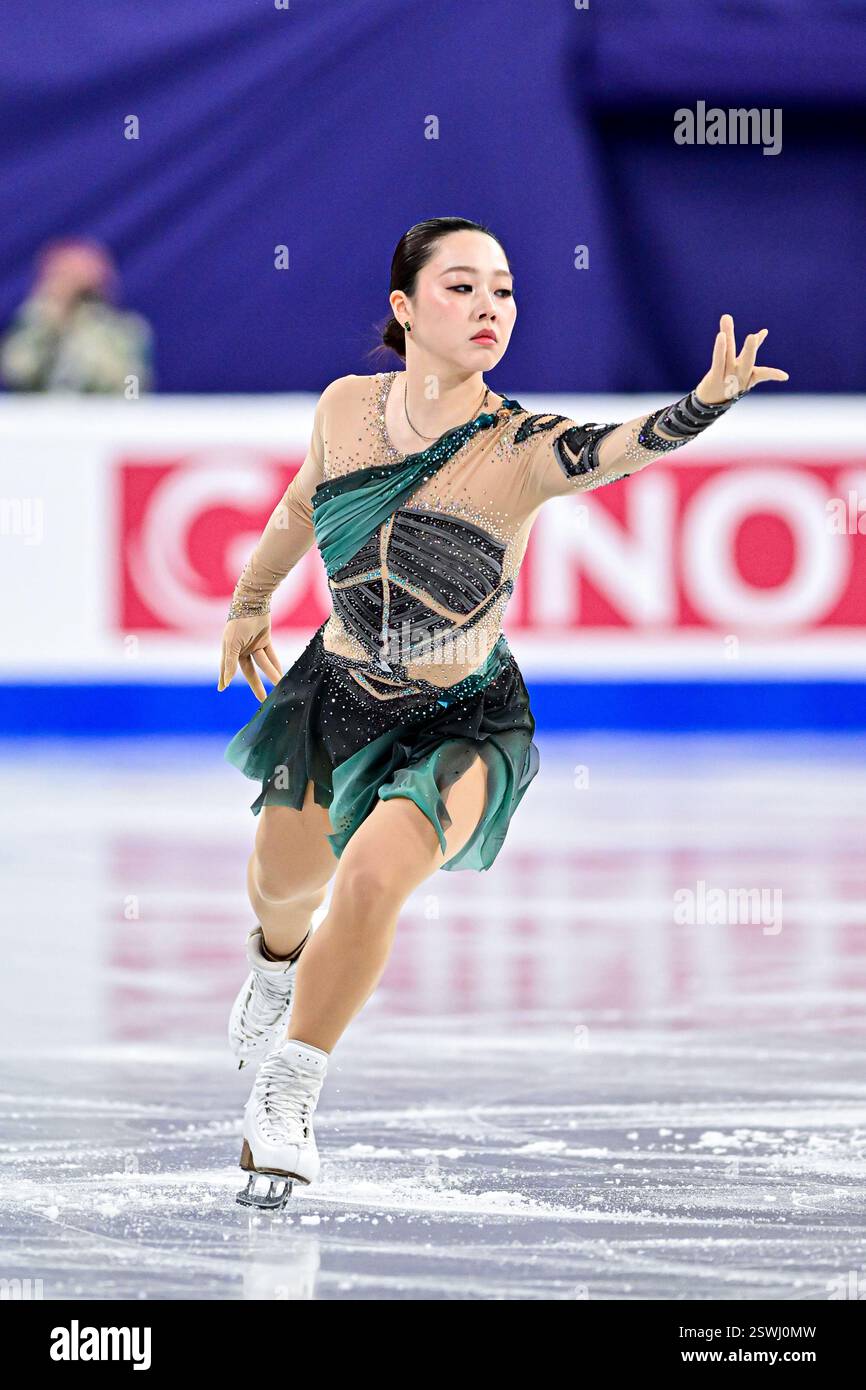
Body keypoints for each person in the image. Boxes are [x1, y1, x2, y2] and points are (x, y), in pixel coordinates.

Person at [217, 216, 788, 1210]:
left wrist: (701, 404)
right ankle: (275, 966)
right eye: (461, 287)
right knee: (278, 889)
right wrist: (250, 599)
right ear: (403, 308)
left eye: (505, 290)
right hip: (334, 693)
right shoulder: (345, 406)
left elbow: (613, 448)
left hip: (464, 719)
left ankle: (289, 1088)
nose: (489, 307)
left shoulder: (519, 444)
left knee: (375, 875)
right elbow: (304, 503)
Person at [0, 237, 154, 394]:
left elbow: (134, 386)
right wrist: (49, 324)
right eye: (62, 275)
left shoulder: (127, 330)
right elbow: (15, 374)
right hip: (38, 415)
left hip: (104, 414)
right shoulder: (32, 323)